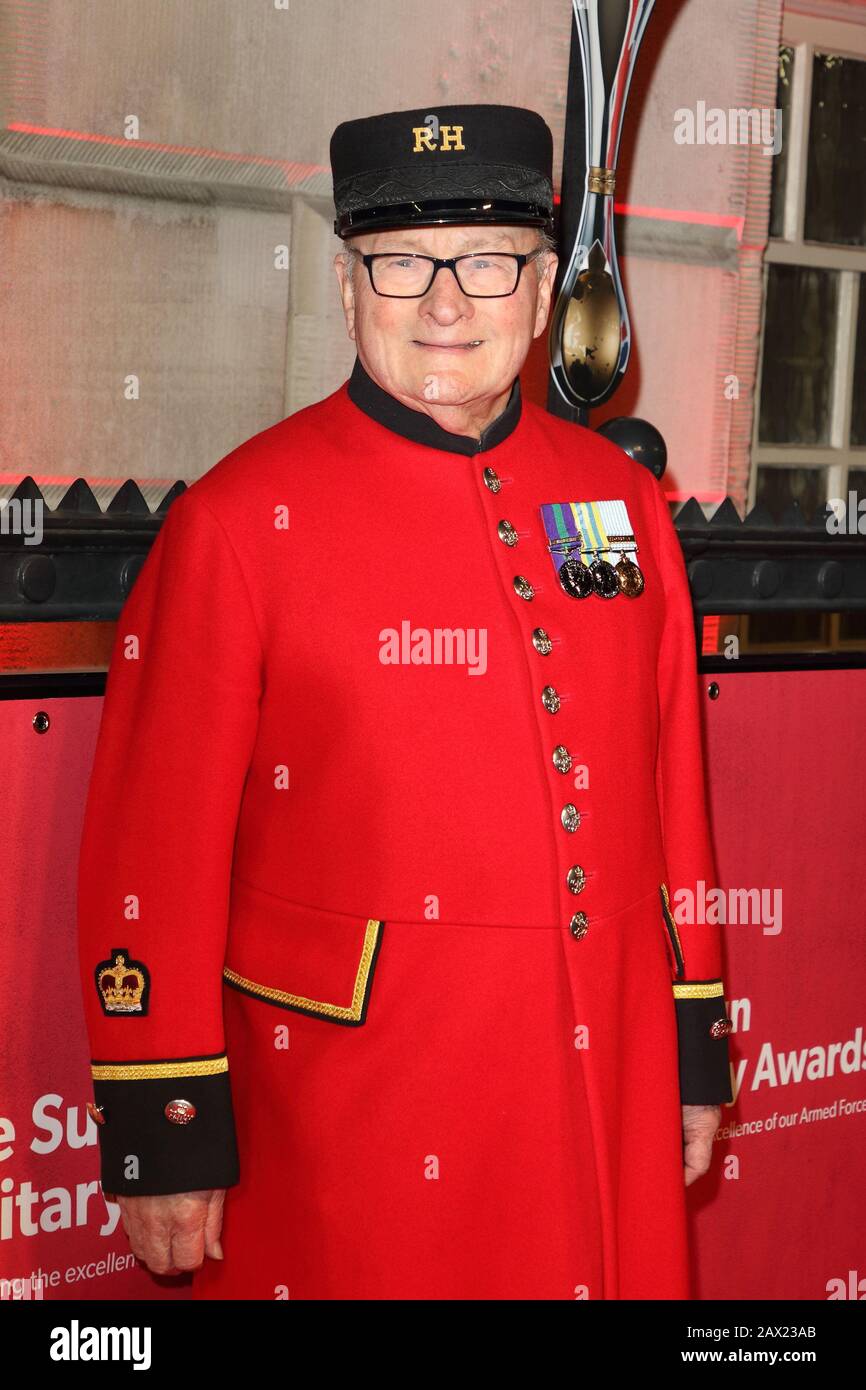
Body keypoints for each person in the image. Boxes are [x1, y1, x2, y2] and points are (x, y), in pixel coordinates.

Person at [77, 103, 733, 1301]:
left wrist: (690, 1045)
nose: (445, 303)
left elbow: (659, 775)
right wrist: (162, 1122)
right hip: (352, 1109)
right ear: (346, 286)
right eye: (402, 262)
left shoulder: (608, 507)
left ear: (541, 295)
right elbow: (149, 849)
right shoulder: (235, 524)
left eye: (487, 262)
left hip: (599, 1083)